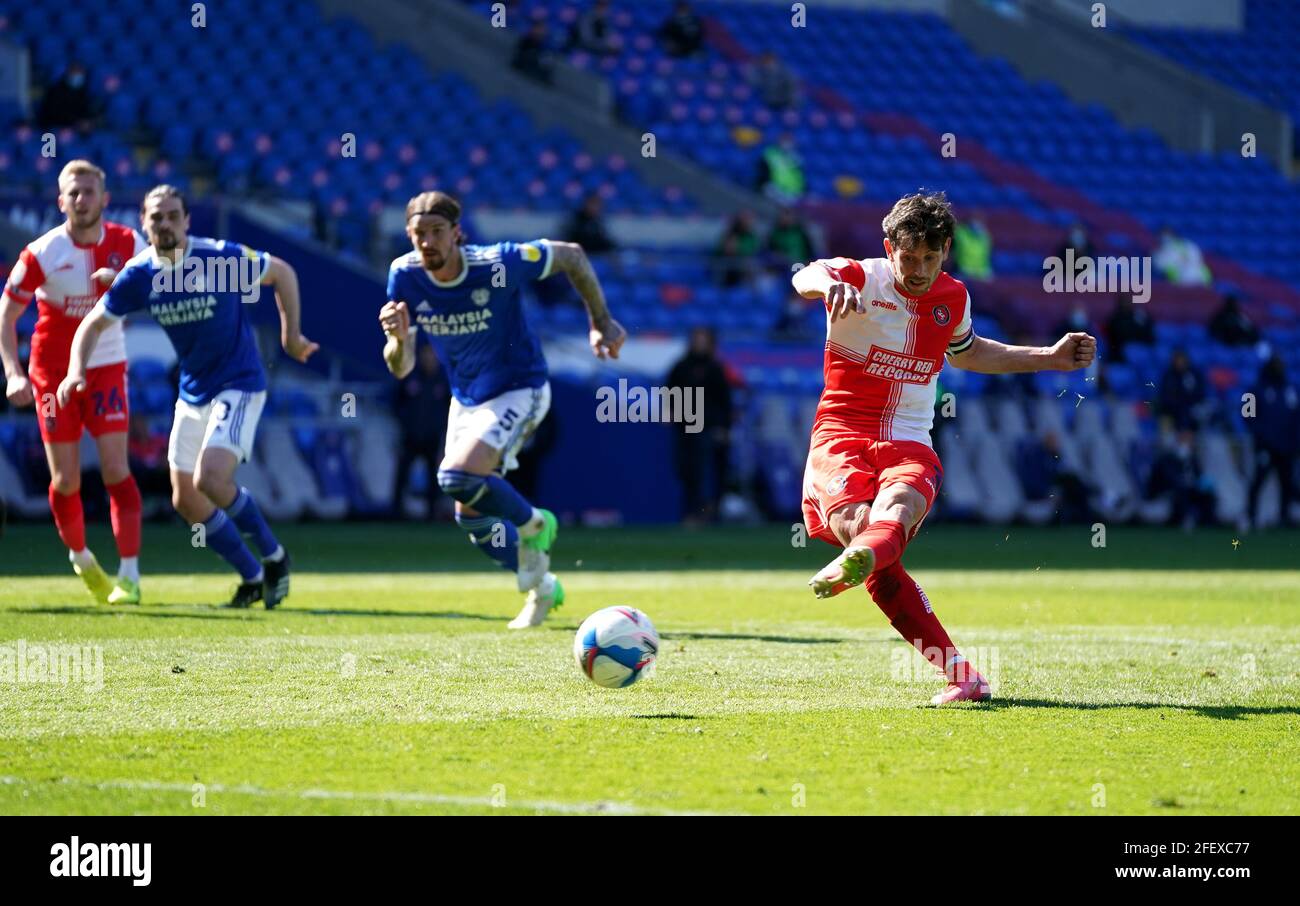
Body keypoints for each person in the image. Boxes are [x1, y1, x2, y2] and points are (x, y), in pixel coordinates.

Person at [791, 191, 1095, 705]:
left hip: (909, 439)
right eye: (908, 257)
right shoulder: (860, 277)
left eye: (930, 259)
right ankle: (875, 568)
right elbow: (804, 275)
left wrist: (1048, 356)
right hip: (841, 436)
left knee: (900, 509)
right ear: (890, 248)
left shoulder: (952, 298)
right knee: (864, 535)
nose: (918, 270)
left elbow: (971, 351)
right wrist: (828, 284)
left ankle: (957, 669)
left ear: (946, 251)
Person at [59, 184, 318, 609]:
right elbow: (91, 325)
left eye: (172, 215)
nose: (165, 224)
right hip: (193, 391)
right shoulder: (140, 274)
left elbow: (282, 273)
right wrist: (74, 373)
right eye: (156, 217)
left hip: (239, 383)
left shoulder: (219, 258)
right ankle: (252, 577)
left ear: (187, 221)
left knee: (210, 478)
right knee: (186, 499)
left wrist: (290, 337)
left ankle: (274, 557)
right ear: (143, 223)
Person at [379, 191, 626, 628]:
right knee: (468, 512)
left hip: (519, 388)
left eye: (437, 232)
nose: (428, 242)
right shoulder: (404, 276)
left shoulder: (496, 265)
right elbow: (402, 368)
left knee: (455, 476)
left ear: (457, 233)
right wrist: (398, 341)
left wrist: (601, 321)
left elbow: (571, 254)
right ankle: (542, 587)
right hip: (468, 398)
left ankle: (534, 523)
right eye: (419, 234)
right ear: (409, 236)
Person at [1, 160, 146, 604]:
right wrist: (13, 373)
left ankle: (130, 576)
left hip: (106, 367)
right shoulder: (42, 253)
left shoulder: (129, 243)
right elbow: (6, 316)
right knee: (65, 481)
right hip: (52, 376)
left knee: (116, 470)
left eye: (89, 191)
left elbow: (160, 290)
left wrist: (127, 287)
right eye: (73, 193)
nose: (81, 199)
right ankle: (82, 559)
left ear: (105, 198)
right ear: (60, 201)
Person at [666, 327, 733, 524]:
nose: (700, 344)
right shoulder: (680, 367)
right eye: (697, 339)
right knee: (685, 470)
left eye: (704, 340)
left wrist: (724, 427)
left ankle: (708, 511)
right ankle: (690, 511)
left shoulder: (715, 369)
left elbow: (724, 401)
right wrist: (670, 411)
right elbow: (670, 392)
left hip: (708, 428)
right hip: (684, 427)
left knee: (706, 471)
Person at [392, 343, 452, 520]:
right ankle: (395, 512)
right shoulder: (410, 377)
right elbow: (396, 402)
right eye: (426, 354)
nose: (429, 358)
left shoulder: (442, 380)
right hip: (410, 437)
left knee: (433, 477)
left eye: (432, 355)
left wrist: (443, 432)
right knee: (402, 474)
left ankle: (432, 513)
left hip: (432, 438)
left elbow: (450, 408)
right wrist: (404, 423)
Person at [1246, 354, 1299, 529]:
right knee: (1258, 481)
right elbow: (1247, 415)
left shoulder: (1291, 389)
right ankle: (1250, 515)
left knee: (1287, 483)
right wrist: (1260, 436)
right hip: (1266, 446)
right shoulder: (1255, 389)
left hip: (1287, 446)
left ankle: (1284, 517)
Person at [1156, 348, 1210, 432]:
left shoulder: (1194, 374)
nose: (1180, 363)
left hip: (1193, 407)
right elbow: (1164, 395)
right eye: (1178, 361)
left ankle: (1197, 435)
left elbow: (1200, 392)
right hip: (1174, 408)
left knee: (1204, 410)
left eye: (1182, 360)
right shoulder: (1168, 376)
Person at [36, 62, 98, 132]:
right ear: (69, 73)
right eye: (75, 72)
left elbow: (87, 110)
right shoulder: (55, 91)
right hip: (55, 128)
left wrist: (87, 122)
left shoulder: (84, 91)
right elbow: (52, 114)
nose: (78, 76)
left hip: (76, 129)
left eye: (80, 73)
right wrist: (76, 122)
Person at [1103, 293, 1155, 363]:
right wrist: (1138, 327)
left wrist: (1142, 321)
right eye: (1125, 301)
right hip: (1123, 353)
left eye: (1129, 301)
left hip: (1143, 346)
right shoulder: (1115, 319)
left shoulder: (1138, 315)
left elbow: (1150, 333)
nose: (1128, 303)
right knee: (1133, 351)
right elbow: (1122, 337)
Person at [756, 133, 805, 205]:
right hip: (774, 189)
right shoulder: (770, 154)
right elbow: (763, 173)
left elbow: (800, 177)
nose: (787, 144)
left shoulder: (797, 158)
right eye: (785, 141)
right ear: (779, 141)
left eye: (789, 142)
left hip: (793, 192)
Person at [765, 207, 815, 272]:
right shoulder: (775, 233)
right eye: (784, 217)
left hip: (799, 262)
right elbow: (771, 249)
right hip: (782, 264)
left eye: (788, 216)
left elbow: (809, 250)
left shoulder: (801, 232)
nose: (786, 219)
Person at [511, 20, 555, 85]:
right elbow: (519, 51)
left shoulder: (545, 43)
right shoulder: (526, 40)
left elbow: (547, 56)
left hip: (537, 64)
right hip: (524, 62)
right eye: (538, 29)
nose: (540, 32)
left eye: (542, 30)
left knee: (547, 58)